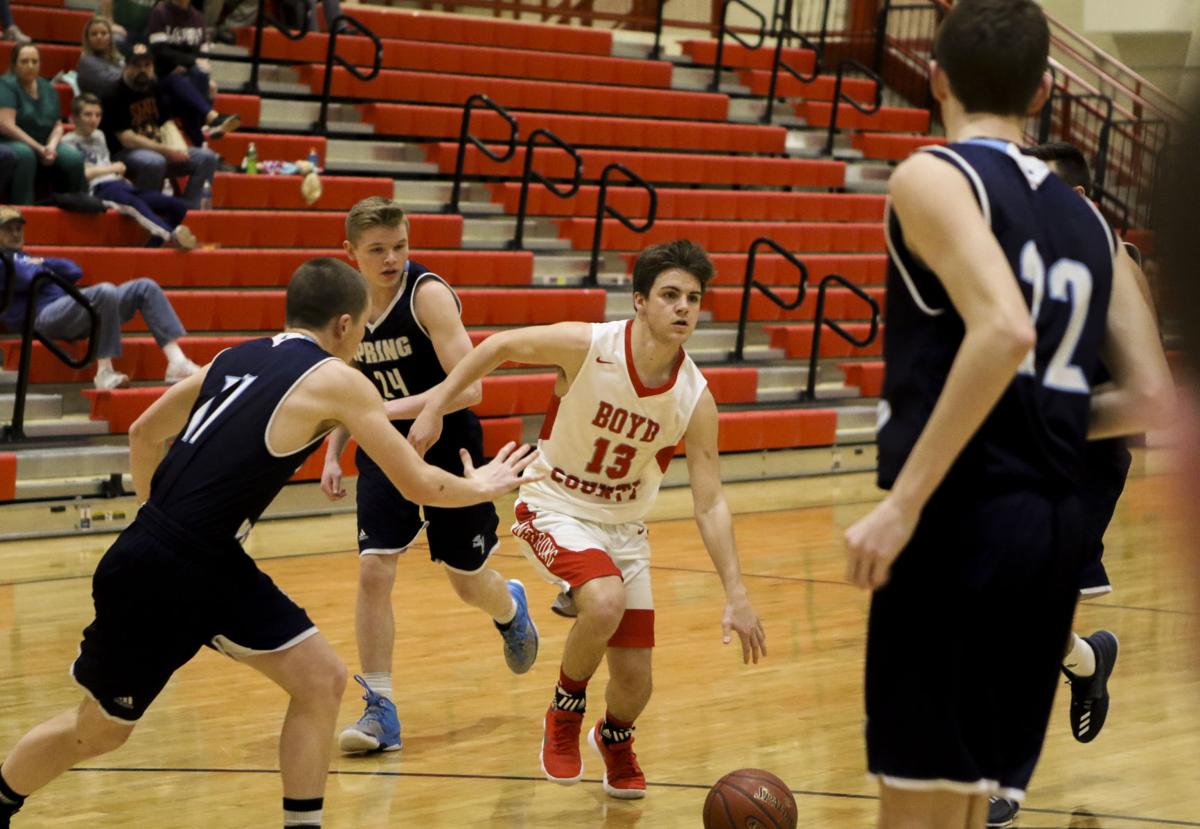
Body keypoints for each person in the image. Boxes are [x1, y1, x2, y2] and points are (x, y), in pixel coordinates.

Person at [0, 257, 539, 829]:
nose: (360, 338)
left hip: (145, 551)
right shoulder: (339, 379)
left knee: (101, 728)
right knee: (316, 684)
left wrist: (154, 519)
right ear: (343, 324)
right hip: (196, 562)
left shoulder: (233, 356)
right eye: (360, 327)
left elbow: (143, 432)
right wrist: (482, 484)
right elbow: (419, 481)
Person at [840, 2, 1173, 828]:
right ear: (1040, 91)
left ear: (937, 77)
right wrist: (1040, 415)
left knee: (917, 809)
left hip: (960, 519)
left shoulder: (934, 175)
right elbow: (1152, 397)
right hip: (1052, 535)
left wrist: (903, 501)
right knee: (966, 802)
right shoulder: (1092, 220)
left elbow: (1004, 327)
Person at [409, 238, 767, 799]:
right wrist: (434, 405)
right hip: (551, 503)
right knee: (602, 598)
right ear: (640, 301)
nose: (683, 308)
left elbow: (710, 502)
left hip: (623, 528)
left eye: (693, 298)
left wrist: (737, 592)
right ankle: (564, 710)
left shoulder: (695, 398)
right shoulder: (591, 345)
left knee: (634, 681)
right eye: (670, 295)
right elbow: (499, 346)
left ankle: (615, 737)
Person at [980, 141, 1167, 828]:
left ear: (1081, 200)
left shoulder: (1116, 264)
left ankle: (1003, 781)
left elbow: (1150, 398)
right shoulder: (1025, 259)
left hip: (1084, 462)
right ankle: (1088, 661)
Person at [319, 197, 539, 755]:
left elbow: (471, 387)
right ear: (351, 255)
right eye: (377, 251)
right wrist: (335, 445)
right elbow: (345, 383)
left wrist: (407, 411)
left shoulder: (429, 296)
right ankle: (380, 710)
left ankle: (510, 606)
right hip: (384, 448)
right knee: (374, 572)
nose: (391, 258)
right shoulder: (346, 305)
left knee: (468, 581)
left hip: (450, 448)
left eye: (399, 246)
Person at [0, 205, 200, 388]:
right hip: (41, 318)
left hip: (69, 311)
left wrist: (41, 262)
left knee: (145, 286)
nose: (16, 234)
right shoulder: (4, 261)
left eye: (18, 228)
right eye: (8, 229)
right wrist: (37, 268)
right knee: (105, 291)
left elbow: (74, 270)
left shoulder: (27, 258)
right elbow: (25, 277)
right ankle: (104, 371)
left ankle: (177, 361)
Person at [62, 92, 198, 250]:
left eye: (98, 115)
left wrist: (115, 170)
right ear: (75, 117)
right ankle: (171, 236)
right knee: (133, 204)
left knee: (176, 206)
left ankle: (154, 245)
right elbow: (83, 174)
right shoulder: (67, 142)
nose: (94, 120)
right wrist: (112, 168)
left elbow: (103, 161)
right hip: (100, 189)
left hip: (120, 183)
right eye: (88, 115)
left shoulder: (99, 135)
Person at [100, 41, 218, 210]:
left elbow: (166, 123)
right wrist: (167, 151)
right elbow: (127, 139)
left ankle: (188, 209)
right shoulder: (113, 93)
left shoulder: (154, 87)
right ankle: (146, 210)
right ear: (125, 66)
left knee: (206, 158)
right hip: (124, 155)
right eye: (137, 65)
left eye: (147, 65)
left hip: (159, 149)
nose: (143, 70)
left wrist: (178, 148)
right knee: (154, 162)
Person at [0, 43, 87, 206]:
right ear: (14, 64)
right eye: (24, 62)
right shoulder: (5, 85)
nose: (30, 66)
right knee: (25, 155)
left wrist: (52, 147)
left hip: (45, 142)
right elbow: (6, 126)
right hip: (10, 141)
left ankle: (75, 207)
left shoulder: (48, 88)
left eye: (35, 61)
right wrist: (39, 149)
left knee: (73, 158)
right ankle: (23, 210)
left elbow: (58, 125)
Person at [147, 0, 238, 148]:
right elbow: (160, 51)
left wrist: (195, 67)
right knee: (180, 80)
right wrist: (190, 62)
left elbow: (202, 55)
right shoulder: (160, 12)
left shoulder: (197, 17)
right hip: (163, 78)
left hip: (190, 79)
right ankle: (210, 120)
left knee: (199, 78)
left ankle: (202, 140)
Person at [76, 17, 125, 100]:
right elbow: (110, 85)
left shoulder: (118, 58)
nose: (99, 37)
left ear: (110, 37)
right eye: (94, 34)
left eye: (103, 33)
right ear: (87, 39)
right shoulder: (86, 62)